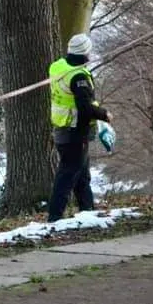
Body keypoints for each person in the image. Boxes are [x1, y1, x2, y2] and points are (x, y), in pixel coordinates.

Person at [47, 33, 112, 223]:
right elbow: (84, 109)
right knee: (67, 176)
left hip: (62, 128)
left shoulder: (58, 66)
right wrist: (104, 114)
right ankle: (54, 217)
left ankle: (88, 212)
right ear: (86, 54)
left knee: (82, 176)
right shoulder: (78, 76)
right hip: (75, 132)